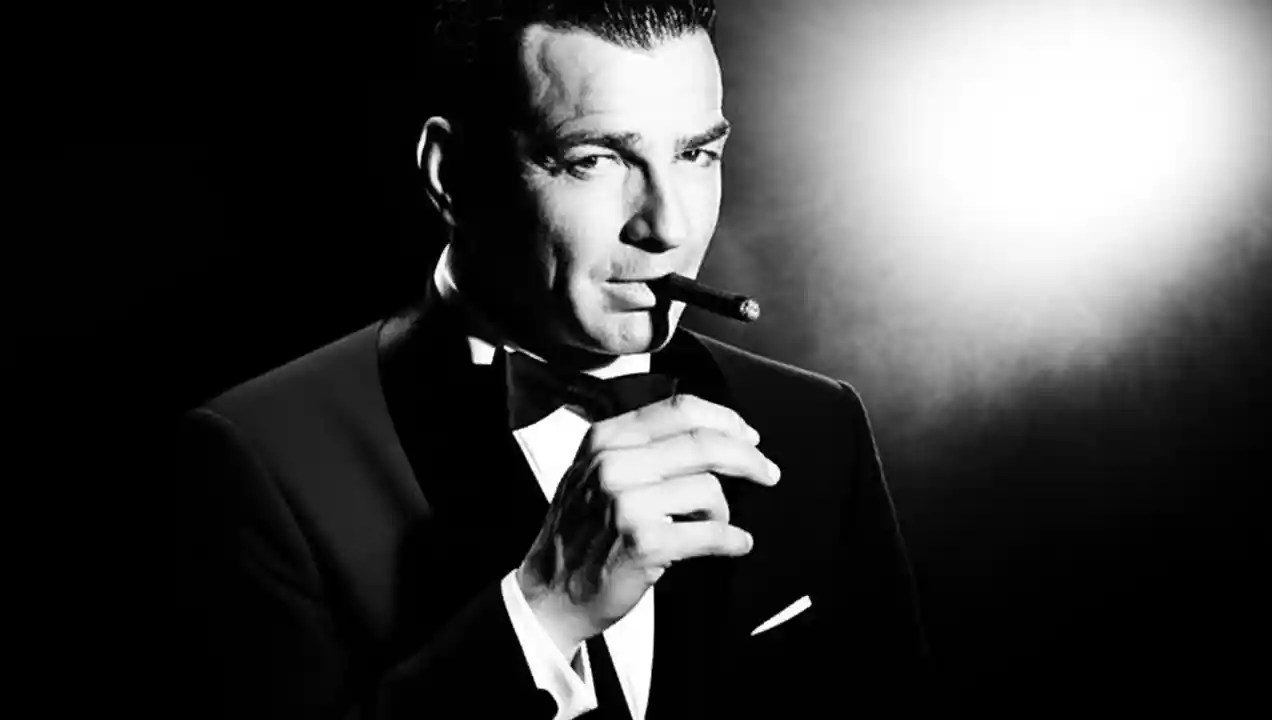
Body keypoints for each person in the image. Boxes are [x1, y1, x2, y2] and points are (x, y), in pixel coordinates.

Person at [173, 1, 928, 717]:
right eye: (594, 159)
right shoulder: (256, 458)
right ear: (451, 175)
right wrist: (543, 613)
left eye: (696, 153)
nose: (669, 225)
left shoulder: (817, 424)